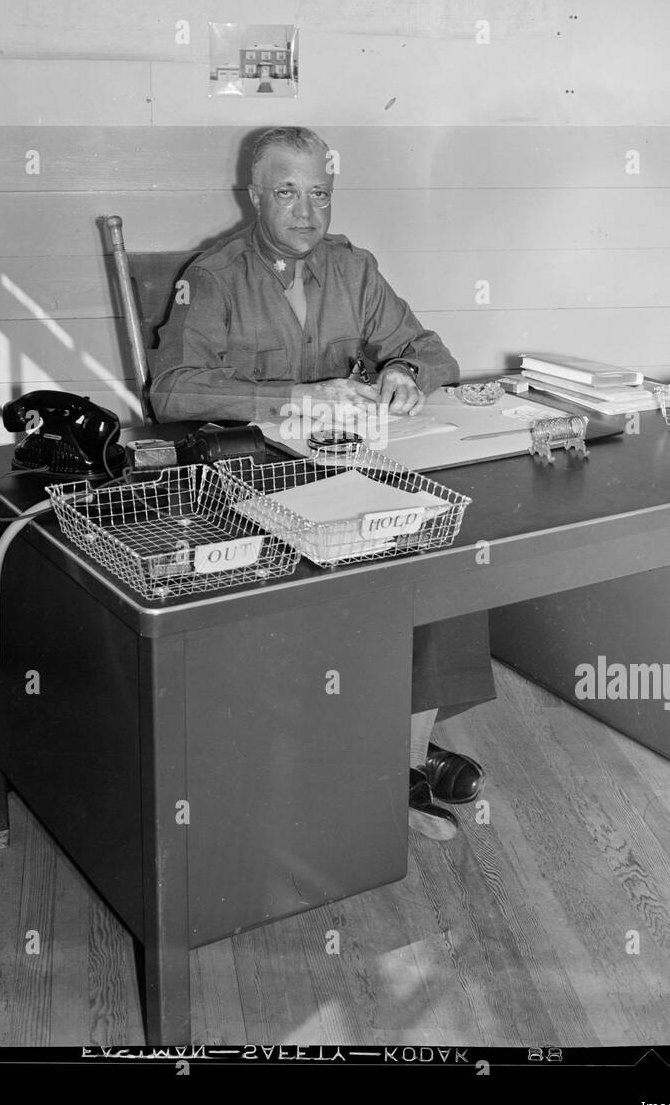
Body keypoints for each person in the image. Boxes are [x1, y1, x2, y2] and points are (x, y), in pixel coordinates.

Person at [149, 127, 495, 839]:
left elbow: (433, 354)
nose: (306, 212)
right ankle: (358, 758)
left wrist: (402, 373)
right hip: (248, 478)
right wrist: (294, 397)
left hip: (342, 467)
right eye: (286, 192)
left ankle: (398, 754)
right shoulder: (212, 277)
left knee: (443, 560)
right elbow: (173, 393)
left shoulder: (352, 267)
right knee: (342, 585)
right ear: (253, 196)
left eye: (320, 194)